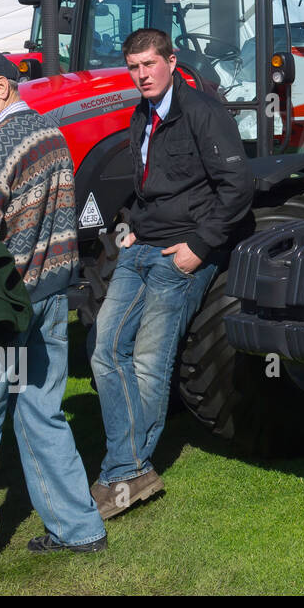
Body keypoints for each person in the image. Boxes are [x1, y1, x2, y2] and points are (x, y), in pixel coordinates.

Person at [0, 47, 105, 577]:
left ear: (1, 88)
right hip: (50, 296)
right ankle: (79, 528)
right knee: (41, 412)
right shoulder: (51, 133)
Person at [90, 28, 253, 519]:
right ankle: (129, 465)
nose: (142, 74)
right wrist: (134, 228)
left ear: (170, 60)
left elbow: (237, 185)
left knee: (148, 361)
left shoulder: (202, 112)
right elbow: (150, 186)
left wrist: (199, 247)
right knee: (104, 351)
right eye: (134, 66)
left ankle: (124, 473)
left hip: (180, 255)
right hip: (142, 248)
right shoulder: (142, 114)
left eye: (149, 64)